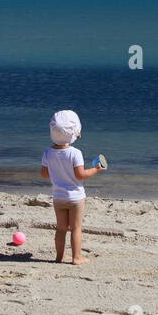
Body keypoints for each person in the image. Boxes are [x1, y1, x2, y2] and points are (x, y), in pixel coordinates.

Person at [40, 109, 102, 265]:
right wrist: (96, 169)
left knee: (61, 228)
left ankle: (59, 257)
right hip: (75, 197)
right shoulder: (75, 153)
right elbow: (80, 175)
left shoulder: (47, 152)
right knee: (76, 228)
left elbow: (44, 174)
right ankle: (76, 257)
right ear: (75, 132)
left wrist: (57, 172)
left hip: (58, 197)